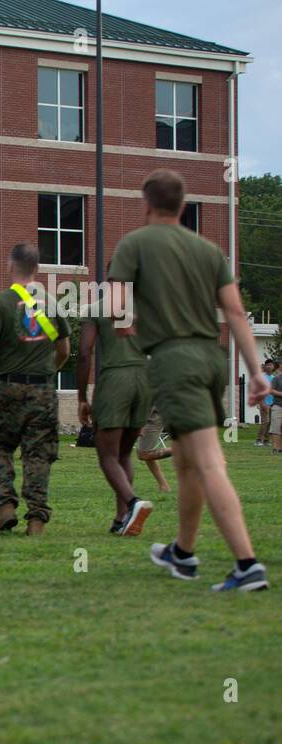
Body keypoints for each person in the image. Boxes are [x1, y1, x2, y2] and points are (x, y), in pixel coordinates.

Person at [109, 168, 269, 591]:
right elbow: (235, 313)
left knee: (209, 462)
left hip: (174, 360)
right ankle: (183, 551)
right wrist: (254, 372)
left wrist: (129, 322)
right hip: (213, 358)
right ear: (182, 206)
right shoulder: (209, 250)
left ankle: (247, 564)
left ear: (147, 202)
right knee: (184, 462)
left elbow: (117, 308)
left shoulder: (135, 243)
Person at [0, 242, 71, 536]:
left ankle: (5, 507)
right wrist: (48, 371)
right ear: (37, 269)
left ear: (10, 266)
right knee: (38, 454)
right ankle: (36, 519)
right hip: (44, 390)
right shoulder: (51, 303)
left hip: (8, 388)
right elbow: (64, 349)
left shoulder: (1, 302)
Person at [77, 293, 155, 536]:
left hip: (115, 379)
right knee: (124, 454)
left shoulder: (97, 309)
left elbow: (84, 352)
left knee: (107, 455)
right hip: (145, 380)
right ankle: (121, 519)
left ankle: (133, 503)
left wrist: (81, 397)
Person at [256, 359, 276, 446]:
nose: (269, 366)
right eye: (267, 365)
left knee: (270, 422)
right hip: (264, 403)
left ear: (273, 367)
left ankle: (266, 440)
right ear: (265, 366)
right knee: (265, 421)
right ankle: (258, 440)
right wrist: (261, 403)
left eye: (271, 365)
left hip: (273, 403)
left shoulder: (274, 378)